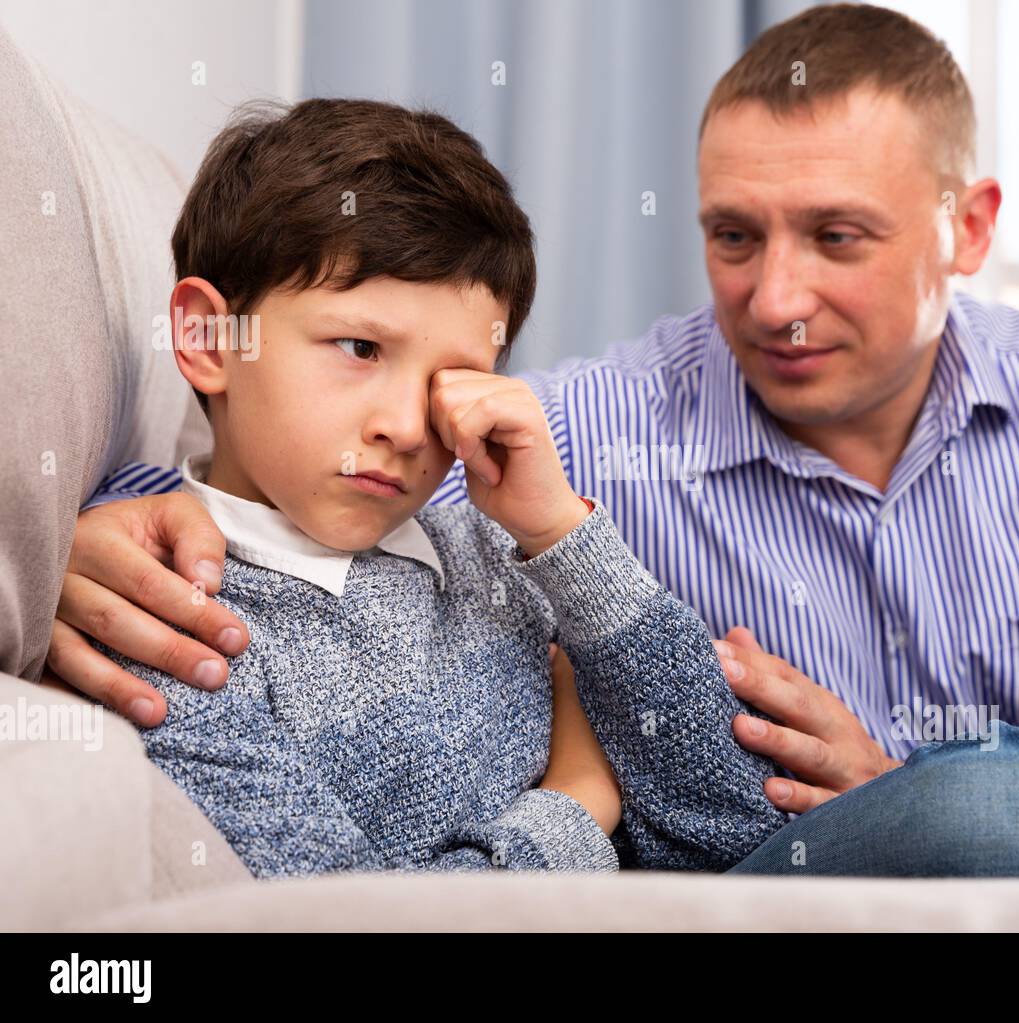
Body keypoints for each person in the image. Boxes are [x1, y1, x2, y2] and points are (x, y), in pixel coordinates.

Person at [52, 4, 1019, 875]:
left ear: (966, 228)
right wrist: (119, 509)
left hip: (976, 851)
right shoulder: (566, 438)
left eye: (836, 237)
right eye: (734, 237)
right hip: (741, 881)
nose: (774, 298)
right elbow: (285, 479)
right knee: (1007, 822)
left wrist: (916, 800)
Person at [91, 95, 792, 878]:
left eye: (453, 377)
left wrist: (563, 534)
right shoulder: (174, 624)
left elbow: (745, 832)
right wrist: (579, 800)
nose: (406, 425)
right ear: (210, 338)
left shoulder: (494, 553)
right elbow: (346, 920)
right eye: (359, 346)